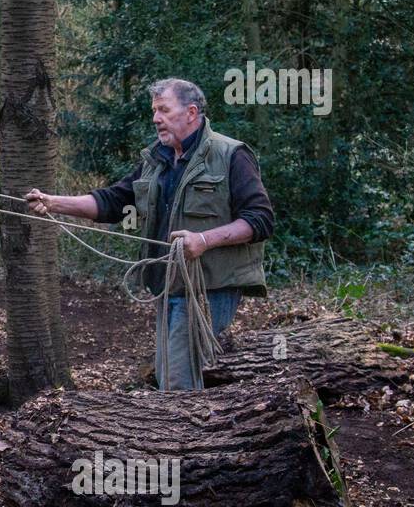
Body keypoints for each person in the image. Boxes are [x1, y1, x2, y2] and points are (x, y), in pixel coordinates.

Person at [25, 78, 275, 389]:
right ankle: (191, 431)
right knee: (170, 376)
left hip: (209, 288)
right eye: (154, 111)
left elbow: (261, 220)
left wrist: (203, 240)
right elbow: (113, 201)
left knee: (176, 381)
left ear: (191, 112)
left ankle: (181, 436)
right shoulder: (157, 160)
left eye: (163, 110)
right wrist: (54, 203)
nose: (156, 118)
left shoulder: (231, 155)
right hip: (168, 285)